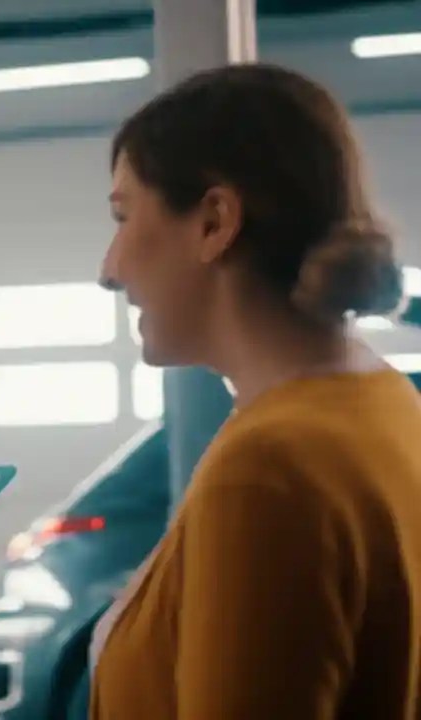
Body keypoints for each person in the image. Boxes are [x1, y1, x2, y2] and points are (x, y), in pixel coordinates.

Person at [93, 63, 421, 719]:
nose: (110, 269)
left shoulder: (271, 468)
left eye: (125, 216)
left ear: (214, 221)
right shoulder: (387, 406)